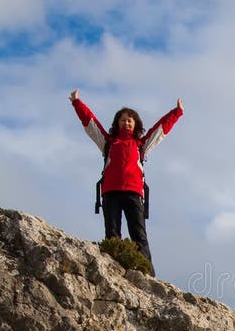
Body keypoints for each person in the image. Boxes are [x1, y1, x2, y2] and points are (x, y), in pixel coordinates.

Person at [69, 89, 184, 275]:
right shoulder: (107, 142)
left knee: (139, 236)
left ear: (135, 124)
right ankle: (113, 270)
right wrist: (77, 102)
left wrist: (176, 112)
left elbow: (160, 130)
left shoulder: (141, 145)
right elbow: (91, 124)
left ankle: (147, 273)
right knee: (112, 234)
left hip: (133, 193)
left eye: (130, 120)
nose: (126, 123)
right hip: (111, 192)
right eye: (123, 120)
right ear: (117, 123)